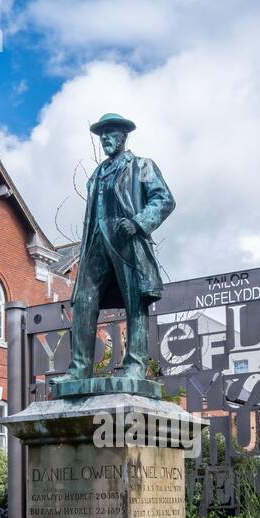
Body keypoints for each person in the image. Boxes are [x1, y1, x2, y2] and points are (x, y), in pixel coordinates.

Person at [58, 113, 175, 387]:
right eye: (102, 136)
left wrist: (138, 222)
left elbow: (164, 199)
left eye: (111, 134)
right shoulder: (97, 174)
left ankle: (135, 365)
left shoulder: (141, 166)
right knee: (85, 300)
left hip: (127, 239)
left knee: (135, 303)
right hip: (97, 241)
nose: (106, 140)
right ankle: (79, 368)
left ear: (123, 137)